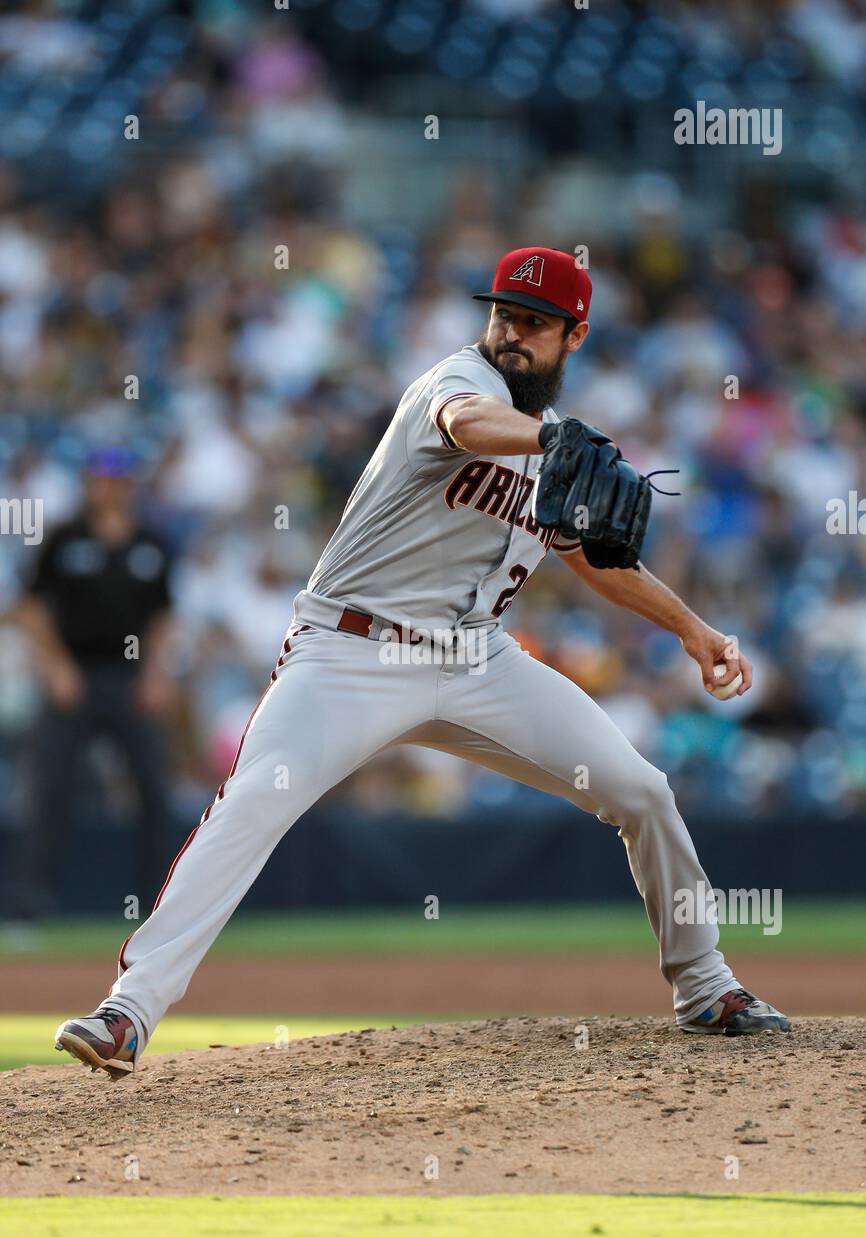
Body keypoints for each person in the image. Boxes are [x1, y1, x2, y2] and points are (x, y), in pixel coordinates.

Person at [54, 247, 789, 1083]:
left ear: (574, 335)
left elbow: (591, 557)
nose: (512, 333)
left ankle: (705, 986)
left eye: (535, 323)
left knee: (643, 791)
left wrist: (694, 630)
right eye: (504, 314)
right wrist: (551, 435)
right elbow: (463, 425)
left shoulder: (554, 442)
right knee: (255, 802)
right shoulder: (458, 381)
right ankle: (129, 1010)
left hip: (476, 657)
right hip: (351, 651)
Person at [8, 447, 176, 930]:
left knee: (152, 790)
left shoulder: (151, 542)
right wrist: (56, 667)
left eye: (118, 478)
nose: (109, 487)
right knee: (49, 791)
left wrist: (155, 674)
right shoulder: (64, 538)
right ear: (88, 483)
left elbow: (163, 615)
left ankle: (158, 909)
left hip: (129, 681)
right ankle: (28, 909)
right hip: (75, 679)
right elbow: (31, 608)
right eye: (101, 478)